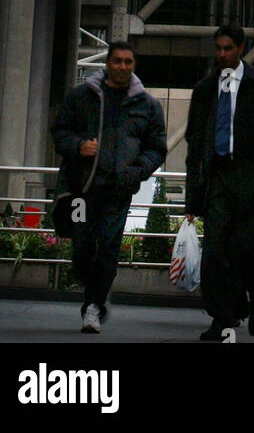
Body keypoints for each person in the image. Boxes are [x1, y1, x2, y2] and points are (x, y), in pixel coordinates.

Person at [51, 41, 167, 334]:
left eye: (128, 62)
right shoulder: (82, 96)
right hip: (81, 190)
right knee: (82, 243)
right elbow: (60, 132)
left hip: (118, 190)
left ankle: (93, 307)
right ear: (108, 63)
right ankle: (93, 290)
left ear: (134, 65)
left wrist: (137, 171)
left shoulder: (148, 105)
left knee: (108, 249)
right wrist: (78, 146)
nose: (123, 67)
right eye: (117, 61)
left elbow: (157, 147)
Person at [185, 24, 254, 341]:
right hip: (217, 178)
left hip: (250, 178)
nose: (222, 54)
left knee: (244, 251)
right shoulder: (205, 89)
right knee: (214, 252)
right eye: (218, 48)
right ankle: (222, 320)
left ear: (241, 48)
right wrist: (192, 197)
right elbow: (194, 142)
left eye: (228, 48)